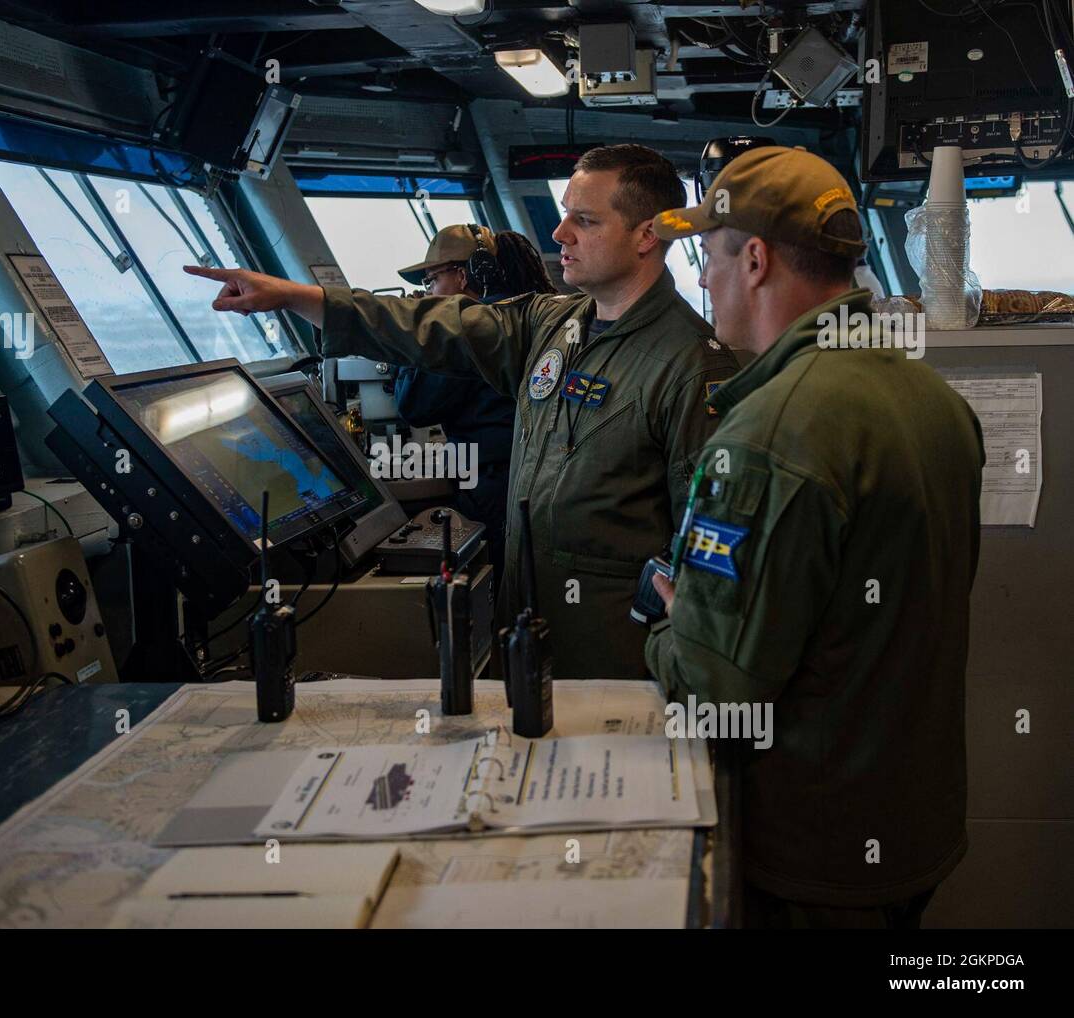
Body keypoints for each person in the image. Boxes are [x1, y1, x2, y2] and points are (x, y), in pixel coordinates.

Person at [186, 144, 739, 679]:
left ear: (649, 234)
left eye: (585, 221)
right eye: (565, 212)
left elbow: (712, 544)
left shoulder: (691, 367)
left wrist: (669, 651)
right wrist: (293, 296)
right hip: (528, 626)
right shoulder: (551, 324)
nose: (560, 232)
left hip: (614, 652)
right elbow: (431, 324)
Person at [645, 146, 985, 927]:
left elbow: (715, 690)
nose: (701, 279)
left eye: (709, 256)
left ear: (756, 259)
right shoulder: (929, 396)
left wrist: (669, 624)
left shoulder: (769, 432)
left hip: (812, 849)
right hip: (908, 821)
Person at [392, 225, 558, 576]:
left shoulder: (467, 329)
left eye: (431, 280)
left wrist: (416, 343)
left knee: (495, 586)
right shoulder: (533, 311)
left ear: (462, 276)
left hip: (492, 487)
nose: (429, 291)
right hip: (539, 481)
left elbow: (415, 406)